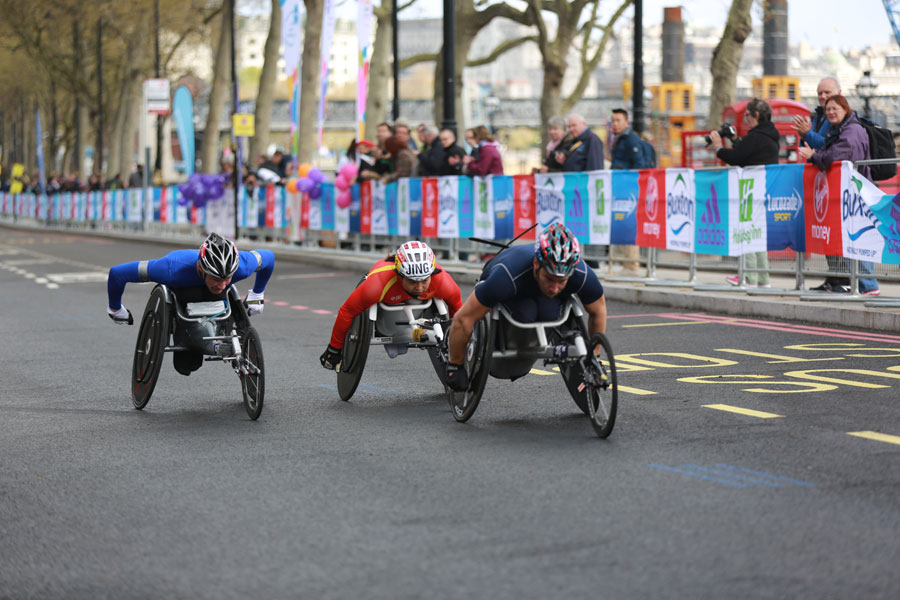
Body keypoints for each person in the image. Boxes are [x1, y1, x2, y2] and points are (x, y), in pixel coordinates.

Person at [444, 224, 607, 391]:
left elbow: (598, 311)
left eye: (562, 281)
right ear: (537, 264)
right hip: (514, 290)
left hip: (543, 299)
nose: (555, 287)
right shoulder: (504, 277)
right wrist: (455, 365)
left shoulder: (582, 274)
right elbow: (463, 318)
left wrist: (594, 356)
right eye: (550, 278)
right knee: (526, 314)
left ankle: (558, 326)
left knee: (549, 314)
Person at [106, 233, 276, 375]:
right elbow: (117, 274)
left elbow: (269, 257)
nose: (222, 284)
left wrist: (257, 293)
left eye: (227, 279)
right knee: (186, 366)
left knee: (223, 291)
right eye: (217, 279)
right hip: (184, 296)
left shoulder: (242, 266)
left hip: (217, 301)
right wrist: (115, 308)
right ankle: (203, 343)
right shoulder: (170, 268)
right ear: (201, 269)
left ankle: (226, 339)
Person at [320, 241, 463, 370]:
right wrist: (334, 349)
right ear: (400, 276)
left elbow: (458, 315)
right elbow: (347, 311)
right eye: (413, 281)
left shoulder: (443, 282)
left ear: (432, 273)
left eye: (424, 280)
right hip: (386, 314)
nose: (419, 287)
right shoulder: (377, 285)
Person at [799, 94, 880, 295]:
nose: (831, 112)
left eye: (835, 108)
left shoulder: (851, 131)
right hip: (848, 193)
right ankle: (860, 285)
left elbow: (837, 155)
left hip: (856, 194)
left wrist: (814, 156)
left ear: (845, 109)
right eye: (828, 110)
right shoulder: (841, 130)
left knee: (860, 239)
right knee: (853, 239)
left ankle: (868, 285)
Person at [709, 98, 778, 288]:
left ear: (755, 115)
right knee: (757, 233)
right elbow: (747, 152)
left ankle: (748, 277)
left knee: (747, 232)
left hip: (750, 190)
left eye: (747, 114)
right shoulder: (769, 135)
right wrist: (734, 139)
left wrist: (718, 147)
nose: (745, 117)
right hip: (764, 189)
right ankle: (762, 279)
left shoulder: (756, 136)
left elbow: (736, 157)